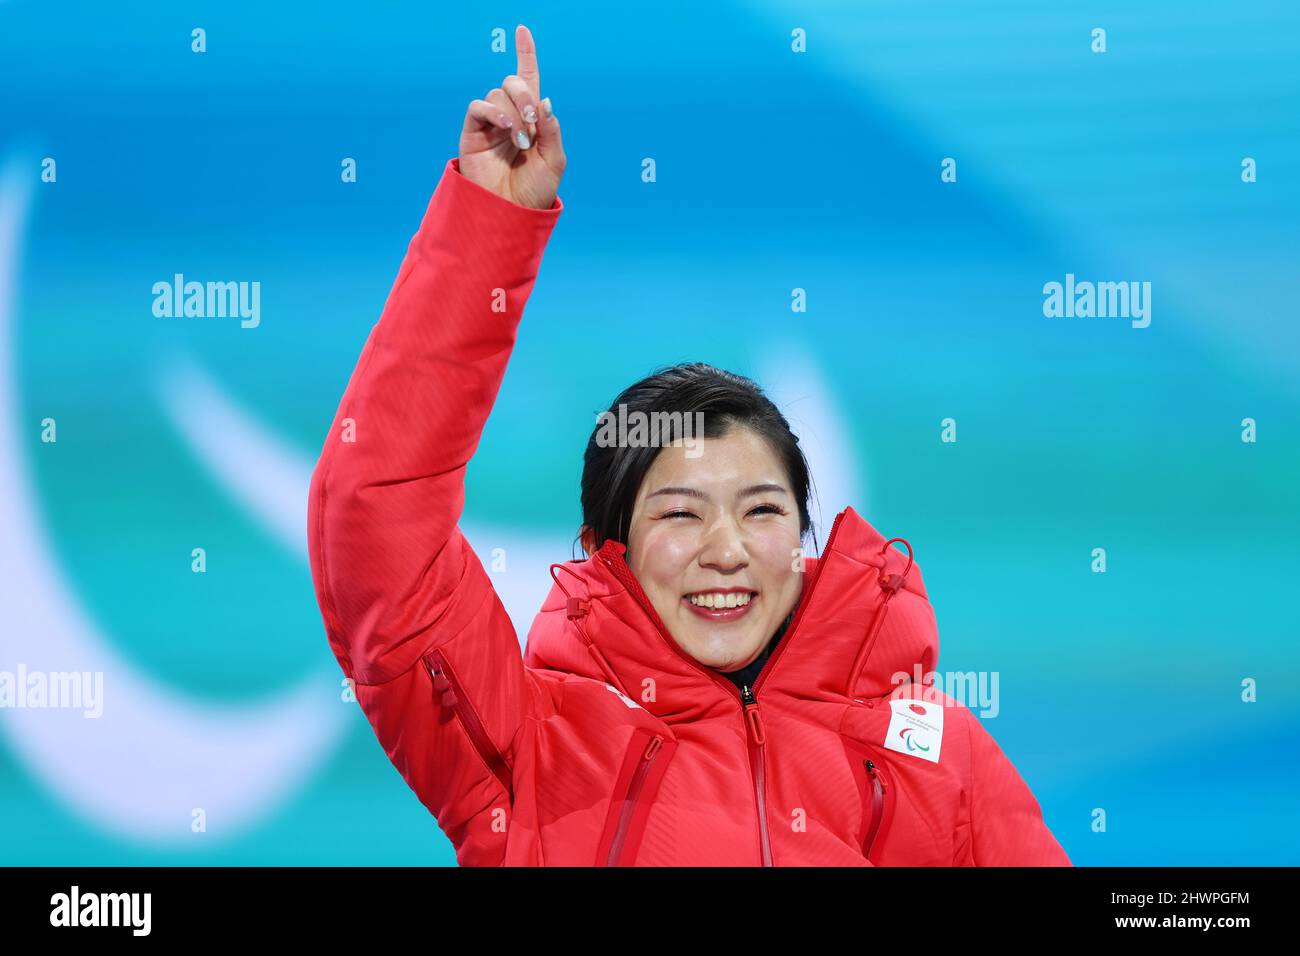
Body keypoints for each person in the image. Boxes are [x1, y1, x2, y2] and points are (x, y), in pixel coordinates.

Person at [306, 24, 1071, 867]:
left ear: (803, 537)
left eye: (763, 509)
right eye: (680, 512)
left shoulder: (938, 753)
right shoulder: (532, 746)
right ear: (609, 552)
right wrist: (491, 224)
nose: (728, 550)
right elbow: (375, 510)